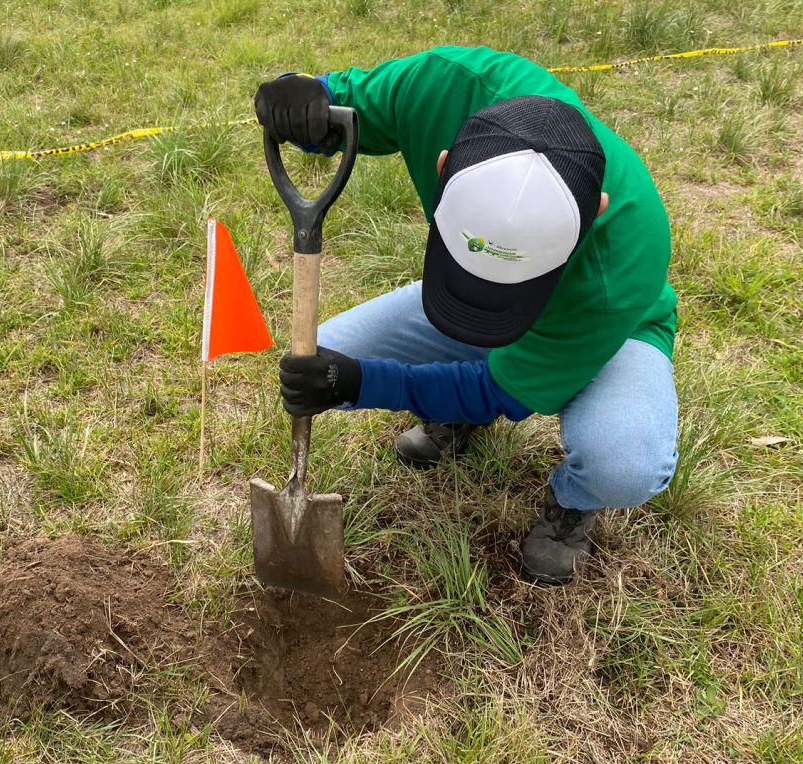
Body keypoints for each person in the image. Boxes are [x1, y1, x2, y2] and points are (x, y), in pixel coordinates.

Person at [253, 47, 679, 586]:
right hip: (544, 308)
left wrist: (361, 383)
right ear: (445, 165)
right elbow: (341, 106)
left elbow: (501, 393)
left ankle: (574, 501)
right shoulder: (444, 88)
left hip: (612, 332)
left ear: (593, 212)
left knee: (623, 462)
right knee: (327, 344)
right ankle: (450, 408)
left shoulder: (625, 254)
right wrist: (301, 95)